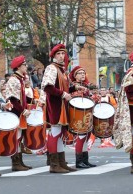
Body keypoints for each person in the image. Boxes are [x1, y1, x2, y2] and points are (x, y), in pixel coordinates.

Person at [42, 44, 77, 173]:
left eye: (63, 54)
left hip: (62, 104)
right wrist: (63, 94)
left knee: (60, 134)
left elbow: (64, 88)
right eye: (59, 54)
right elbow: (48, 87)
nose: (62, 56)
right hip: (55, 104)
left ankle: (61, 162)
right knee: (55, 133)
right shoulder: (51, 68)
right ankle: (54, 164)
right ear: (53, 56)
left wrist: (75, 88)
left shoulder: (62, 69)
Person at [4, 55, 33, 171]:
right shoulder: (13, 80)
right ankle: (15, 163)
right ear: (19, 66)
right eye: (24, 65)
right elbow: (13, 99)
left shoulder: (20, 79)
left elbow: (21, 97)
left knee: (19, 137)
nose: (26, 67)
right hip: (15, 113)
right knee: (16, 137)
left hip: (19, 112)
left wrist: (30, 101)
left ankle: (19, 161)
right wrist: (23, 110)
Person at [69, 66, 97, 168]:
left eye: (83, 73)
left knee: (86, 137)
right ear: (75, 76)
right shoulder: (73, 86)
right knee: (80, 137)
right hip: (78, 114)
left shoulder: (86, 86)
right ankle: (79, 161)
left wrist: (94, 98)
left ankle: (85, 160)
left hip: (87, 114)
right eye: (80, 73)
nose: (82, 75)